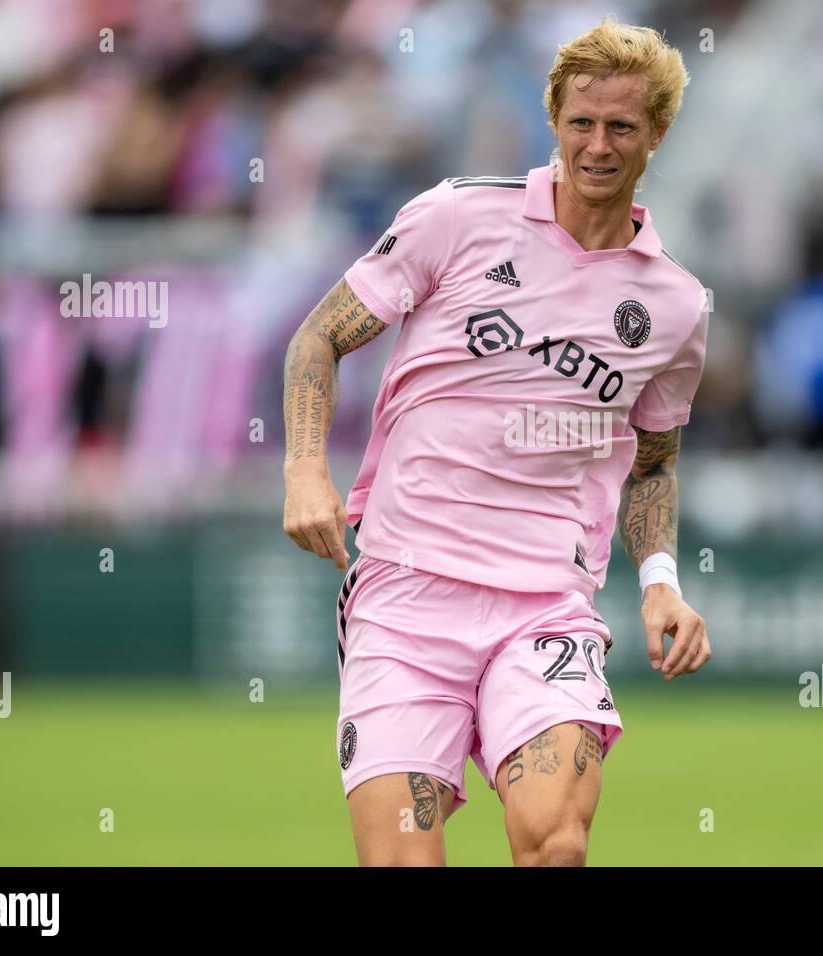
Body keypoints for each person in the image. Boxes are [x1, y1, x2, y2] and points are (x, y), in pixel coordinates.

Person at [281, 16, 710, 866]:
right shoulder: (457, 216)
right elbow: (317, 338)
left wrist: (660, 582)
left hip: (545, 606)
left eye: (621, 126)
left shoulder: (676, 309)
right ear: (553, 118)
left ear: (656, 134)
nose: (597, 145)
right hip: (405, 594)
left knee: (554, 844)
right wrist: (303, 469)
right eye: (581, 122)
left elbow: (654, 461)